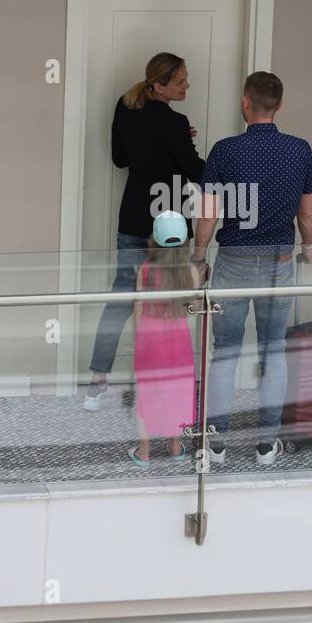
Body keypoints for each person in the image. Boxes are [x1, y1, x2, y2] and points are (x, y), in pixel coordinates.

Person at [191, 71, 312, 467]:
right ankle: (266, 445)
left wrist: (198, 259)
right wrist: (309, 246)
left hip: (233, 262)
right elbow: (308, 211)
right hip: (280, 263)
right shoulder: (300, 150)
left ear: (245, 102)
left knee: (225, 353)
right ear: (279, 105)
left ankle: (215, 445)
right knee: (274, 352)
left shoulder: (225, 150)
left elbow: (209, 216)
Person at [84, 52, 205, 411]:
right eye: (181, 80)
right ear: (159, 85)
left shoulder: (126, 106)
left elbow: (121, 159)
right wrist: (183, 143)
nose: (187, 85)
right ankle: (162, 383)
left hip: (134, 217)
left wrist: (174, 141)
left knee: (121, 298)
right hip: (169, 220)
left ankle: (96, 383)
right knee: (169, 302)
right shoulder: (174, 121)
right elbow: (195, 170)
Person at [128, 211, 203, 467]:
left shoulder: (146, 270)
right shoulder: (191, 272)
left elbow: (138, 306)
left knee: (148, 393)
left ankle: (145, 451)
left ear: (155, 240)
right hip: (178, 340)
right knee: (178, 392)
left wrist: (139, 339)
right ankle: (174, 446)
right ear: (184, 241)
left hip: (150, 339)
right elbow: (192, 307)